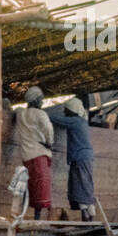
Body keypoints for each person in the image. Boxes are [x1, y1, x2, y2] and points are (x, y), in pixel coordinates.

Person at [48, 97, 95, 221]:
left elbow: (55, 119)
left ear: (72, 111)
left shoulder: (74, 121)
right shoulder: (82, 121)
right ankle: (89, 215)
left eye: (66, 110)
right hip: (85, 157)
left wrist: (40, 113)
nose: (64, 112)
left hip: (79, 157)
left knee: (79, 185)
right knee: (85, 184)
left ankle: (85, 214)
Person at [14, 86, 55, 220]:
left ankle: (25, 215)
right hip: (39, 155)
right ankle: (36, 219)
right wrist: (49, 143)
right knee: (41, 188)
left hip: (26, 157)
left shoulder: (20, 113)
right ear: (35, 101)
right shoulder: (40, 114)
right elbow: (48, 129)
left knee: (30, 186)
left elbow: (11, 109)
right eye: (41, 100)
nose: (42, 102)